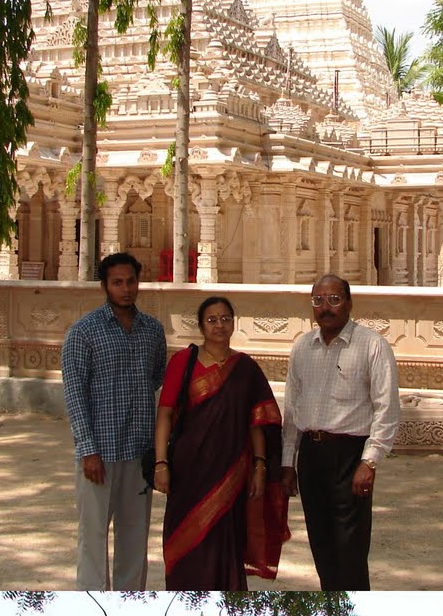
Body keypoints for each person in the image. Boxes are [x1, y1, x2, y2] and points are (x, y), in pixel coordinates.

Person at [153, 295, 289, 589]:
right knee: (183, 538)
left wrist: (260, 466)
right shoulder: (183, 361)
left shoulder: (245, 368)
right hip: (188, 470)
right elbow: (164, 415)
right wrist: (161, 463)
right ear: (201, 325)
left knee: (224, 538)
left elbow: (258, 421)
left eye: (225, 319)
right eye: (212, 320)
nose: (219, 325)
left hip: (231, 472)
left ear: (234, 323)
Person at [281, 275, 399, 590]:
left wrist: (369, 461)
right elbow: (292, 409)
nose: (325, 307)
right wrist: (287, 463)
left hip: (350, 456)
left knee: (351, 549)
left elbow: (386, 408)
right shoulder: (303, 347)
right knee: (321, 544)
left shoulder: (371, 345)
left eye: (333, 299)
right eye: (318, 300)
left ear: (349, 303)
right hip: (311, 455)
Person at [61, 253, 167, 590]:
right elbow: (74, 395)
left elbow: (156, 379)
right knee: (93, 538)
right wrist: (88, 451)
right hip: (99, 456)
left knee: (134, 539)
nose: (125, 289)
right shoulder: (83, 332)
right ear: (104, 286)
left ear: (139, 281)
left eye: (131, 281)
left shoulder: (152, 330)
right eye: (117, 282)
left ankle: (130, 597)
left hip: (138, 452)